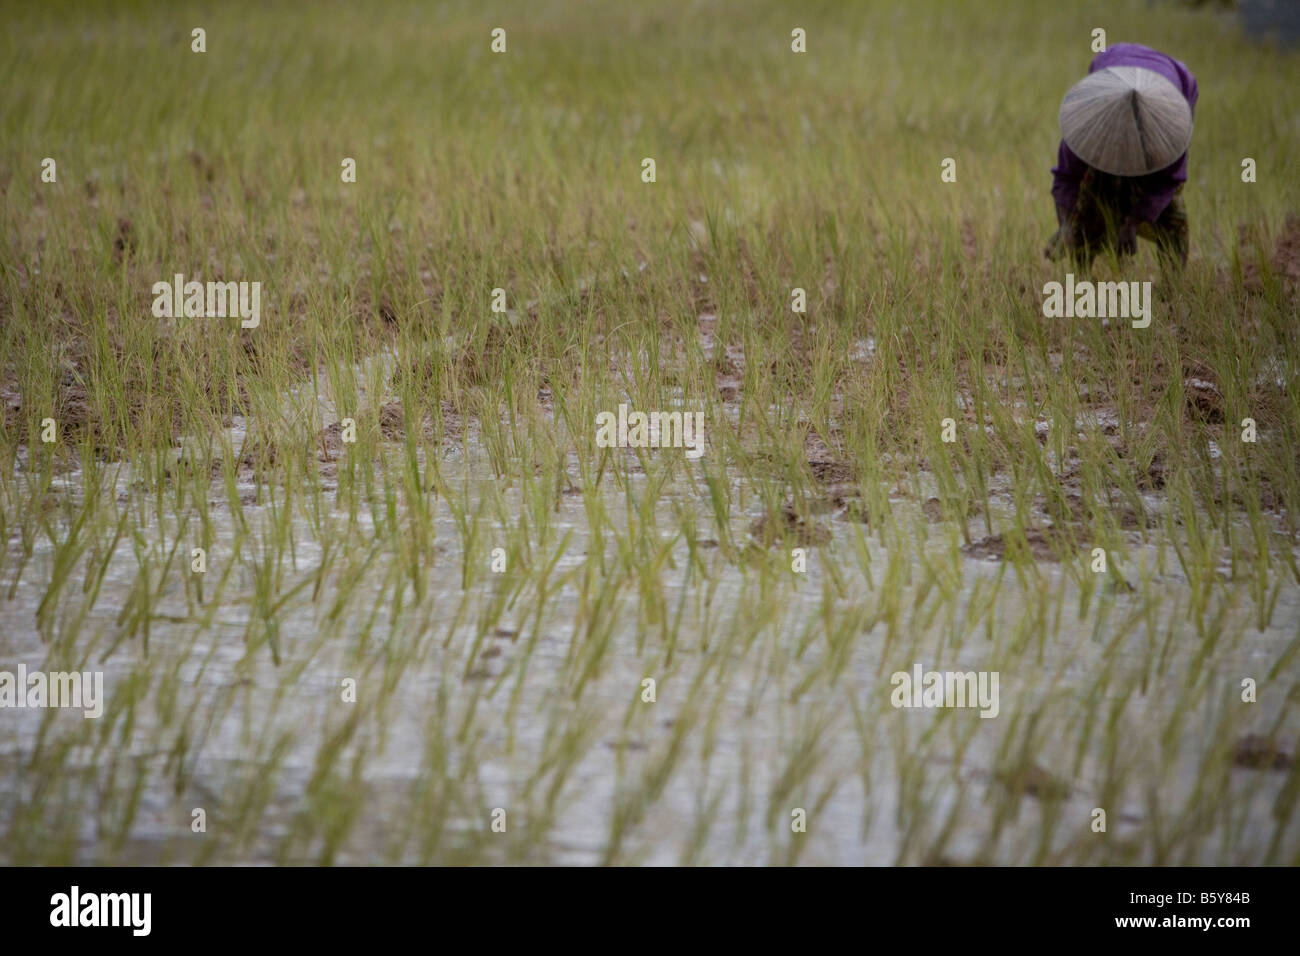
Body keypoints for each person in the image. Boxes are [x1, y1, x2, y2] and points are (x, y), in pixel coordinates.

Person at [1045, 42, 1198, 270]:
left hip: (1171, 85)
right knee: (1094, 190)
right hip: (1111, 61)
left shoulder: (1168, 131)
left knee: (1172, 214)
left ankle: (1172, 284)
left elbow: (1169, 182)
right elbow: (1066, 178)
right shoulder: (1086, 128)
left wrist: (1134, 223)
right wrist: (1068, 226)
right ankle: (1082, 272)